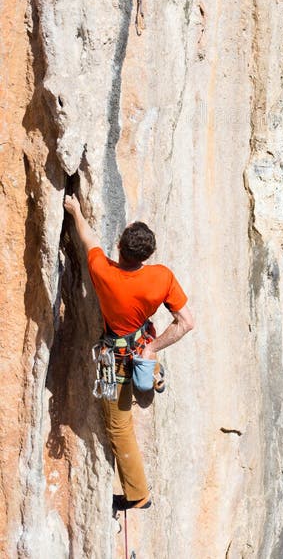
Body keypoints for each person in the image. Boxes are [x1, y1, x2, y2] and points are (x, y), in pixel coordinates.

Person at [64, 194, 194, 511]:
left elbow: (88, 238)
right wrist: (152, 347)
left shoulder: (102, 271)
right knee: (146, 342)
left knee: (118, 427)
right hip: (141, 340)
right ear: (148, 255)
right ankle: (154, 372)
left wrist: (76, 211)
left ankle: (138, 496)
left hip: (115, 360)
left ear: (120, 247)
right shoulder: (161, 276)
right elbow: (186, 322)